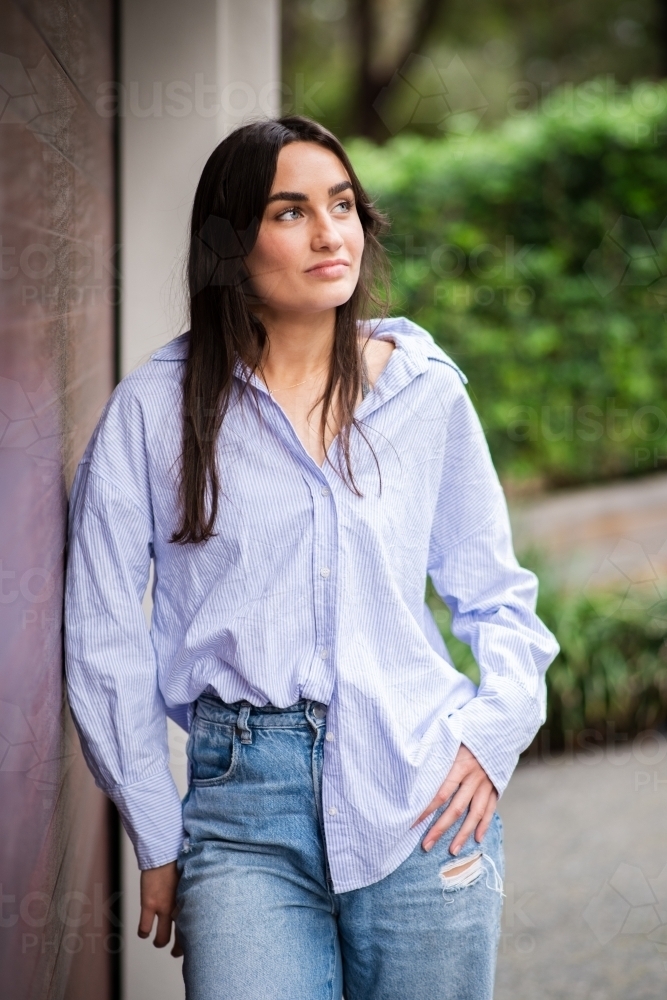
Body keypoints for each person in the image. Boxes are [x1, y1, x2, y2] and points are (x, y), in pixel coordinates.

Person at [65, 115, 559, 1000]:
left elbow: (495, 598)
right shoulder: (150, 415)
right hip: (239, 815)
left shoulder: (424, 393)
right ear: (227, 244)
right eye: (289, 212)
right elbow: (102, 633)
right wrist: (156, 827)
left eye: (341, 205)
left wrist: (490, 739)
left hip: (418, 796)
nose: (331, 233)